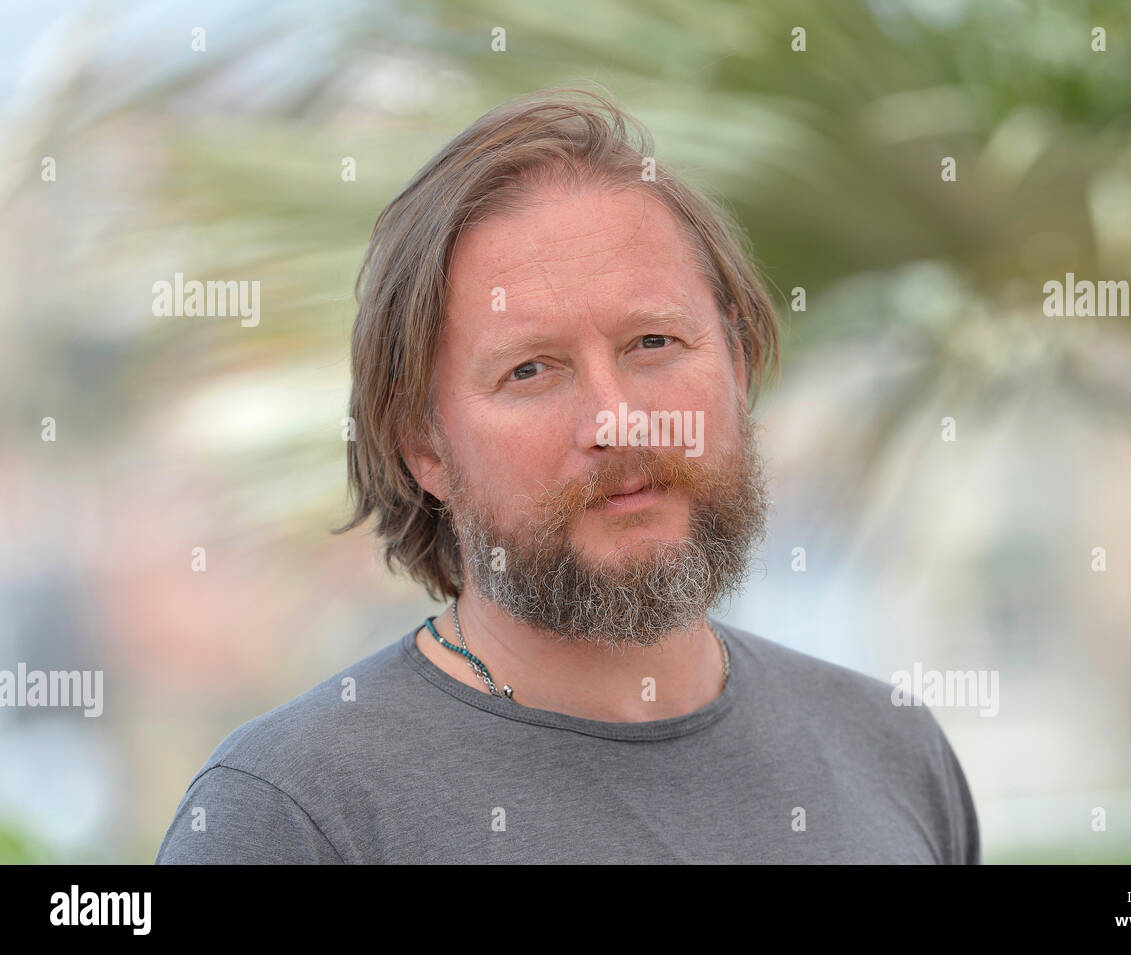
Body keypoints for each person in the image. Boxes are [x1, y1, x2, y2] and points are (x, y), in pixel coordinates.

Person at [156, 86, 980, 864]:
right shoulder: (293, 816)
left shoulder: (891, 750)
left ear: (736, 358)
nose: (617, 420)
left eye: (653, 344)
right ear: (425, 449)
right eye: (531, 370)